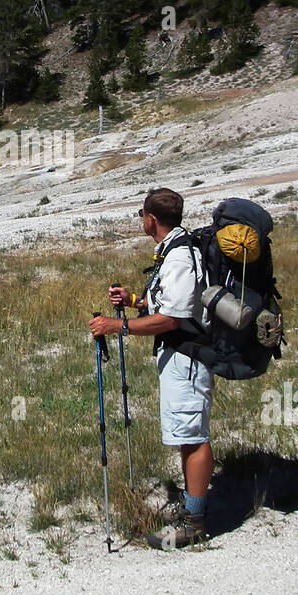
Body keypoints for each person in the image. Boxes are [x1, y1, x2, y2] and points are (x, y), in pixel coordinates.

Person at [88, 187, 212, 549]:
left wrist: (118, 326)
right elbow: (168, 304)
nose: (142, 220)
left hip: (187, 356)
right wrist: (135, 301)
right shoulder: (173, 250)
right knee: (186, 433)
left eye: (141, 215)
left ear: (151, 219)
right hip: (179, 356)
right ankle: (193, 508)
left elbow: (172, 319)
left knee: (192, 436)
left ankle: (195, 521)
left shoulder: (178, 258)